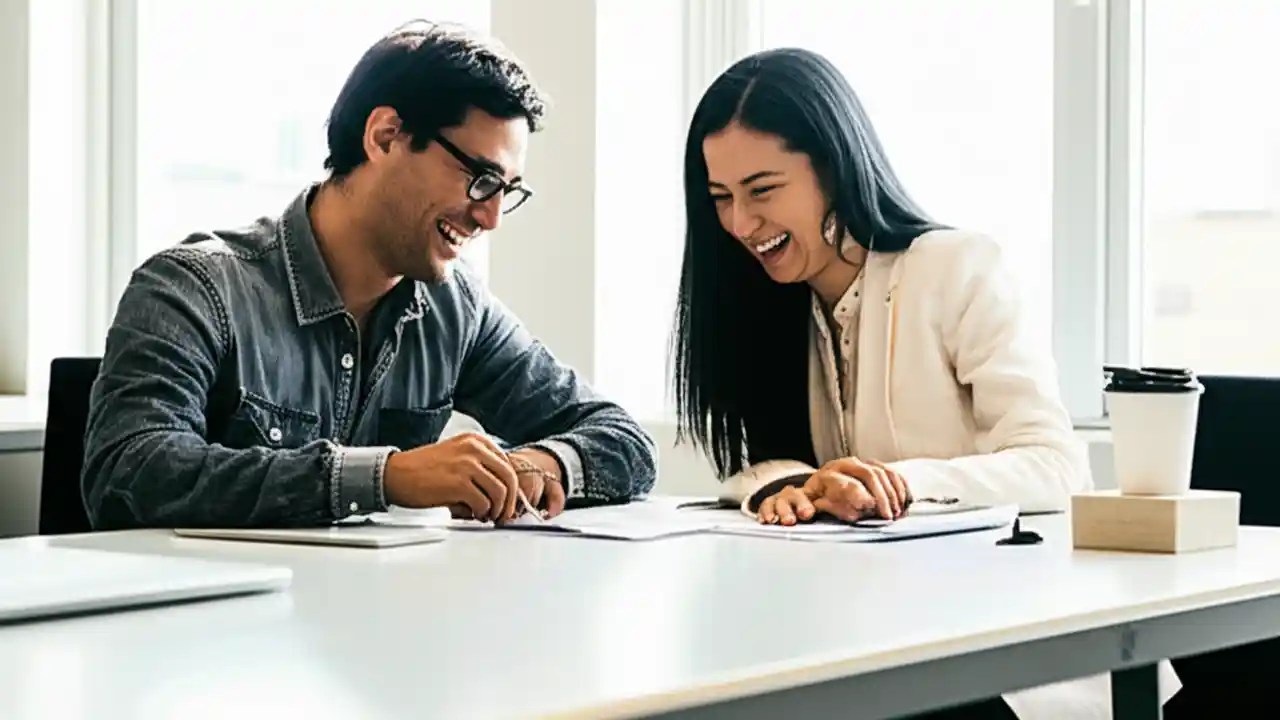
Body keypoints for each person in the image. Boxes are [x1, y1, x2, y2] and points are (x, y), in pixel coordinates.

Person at [671, 48, 1176, 719]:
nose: (738, 224)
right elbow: (757, 466)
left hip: (996, 655)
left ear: (834, 167)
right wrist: (791, 488)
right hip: (861, 640)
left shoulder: (953, 268)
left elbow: (1057, 469)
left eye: (762, 191)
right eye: (721, 199)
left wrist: (897, 484)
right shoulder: (767, 302)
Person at [82, 21, 656, 530]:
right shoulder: (194, 288)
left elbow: (625, 442)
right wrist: (385, 477)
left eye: (507, 191)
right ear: (385, 136)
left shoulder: (458, 310)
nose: (490, 217)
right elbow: (129, 471)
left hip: (376, 633)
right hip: (208, 640)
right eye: (481, 179)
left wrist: (538, 466)